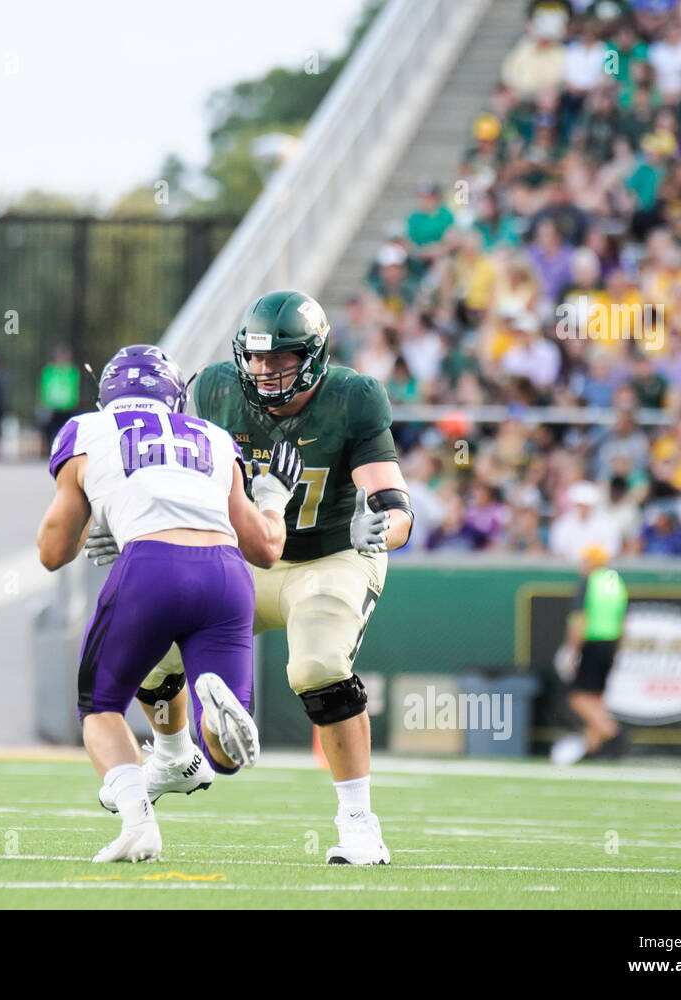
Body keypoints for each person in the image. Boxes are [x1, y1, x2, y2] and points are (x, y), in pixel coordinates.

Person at [88, 290, 413, 865]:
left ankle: (359, 822)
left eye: (281, 359)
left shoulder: (353, 397)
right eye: (257, 358)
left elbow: (392, 500)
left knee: (318, 669)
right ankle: (174, 753)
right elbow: (171, 472)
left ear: (312, 356)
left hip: (331, 557)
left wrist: (381, 529)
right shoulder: (214, 389)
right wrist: (129, 519)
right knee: (147, 646)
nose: (265, 371)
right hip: (246, 556)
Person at [37, 344, 303, 862]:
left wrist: (102, 515)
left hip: (152, 568)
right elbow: (266, 549)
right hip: (227, 577)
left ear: (107, 393)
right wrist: (274, 496)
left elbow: (52, 552)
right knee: (224, 757)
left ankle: (138, 824)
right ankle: (217, 719)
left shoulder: (86, 430)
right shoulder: (213, 437)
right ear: (174, 397)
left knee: (99, 706)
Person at [551, 546, 628, 765]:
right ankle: (591, 749)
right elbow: (623, 621)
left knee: (578, 698)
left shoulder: (589, 582)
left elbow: (579, 619)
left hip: (592, 643)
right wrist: (618, 650)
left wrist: (571, 650)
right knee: (595, 698)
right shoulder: (616, 583)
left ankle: (614, 732)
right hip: (611, 644)